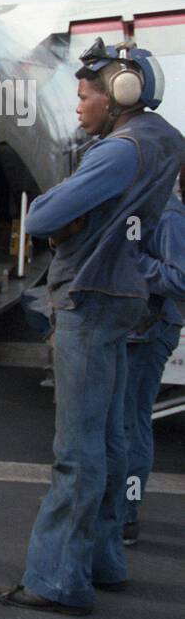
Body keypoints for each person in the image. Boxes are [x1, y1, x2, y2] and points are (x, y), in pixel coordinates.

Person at [0, 39, 183, 615]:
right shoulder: (165, 141)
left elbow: (43, 216)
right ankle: (104, 561)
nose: (78, 106)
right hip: (124, 300)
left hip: (90, 298)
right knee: (112, 439)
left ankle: (55, 581)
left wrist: (67, 215)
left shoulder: (119, 150)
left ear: (120, 94)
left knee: (76, 451)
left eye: (85, 95)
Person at [123, 188, 185, 545]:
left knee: (131, 423)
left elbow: (179, 279)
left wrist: (131, 261)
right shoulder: (147, 208)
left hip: (148, 332)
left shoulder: (168, 217)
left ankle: (126, 517)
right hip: (136, 330)